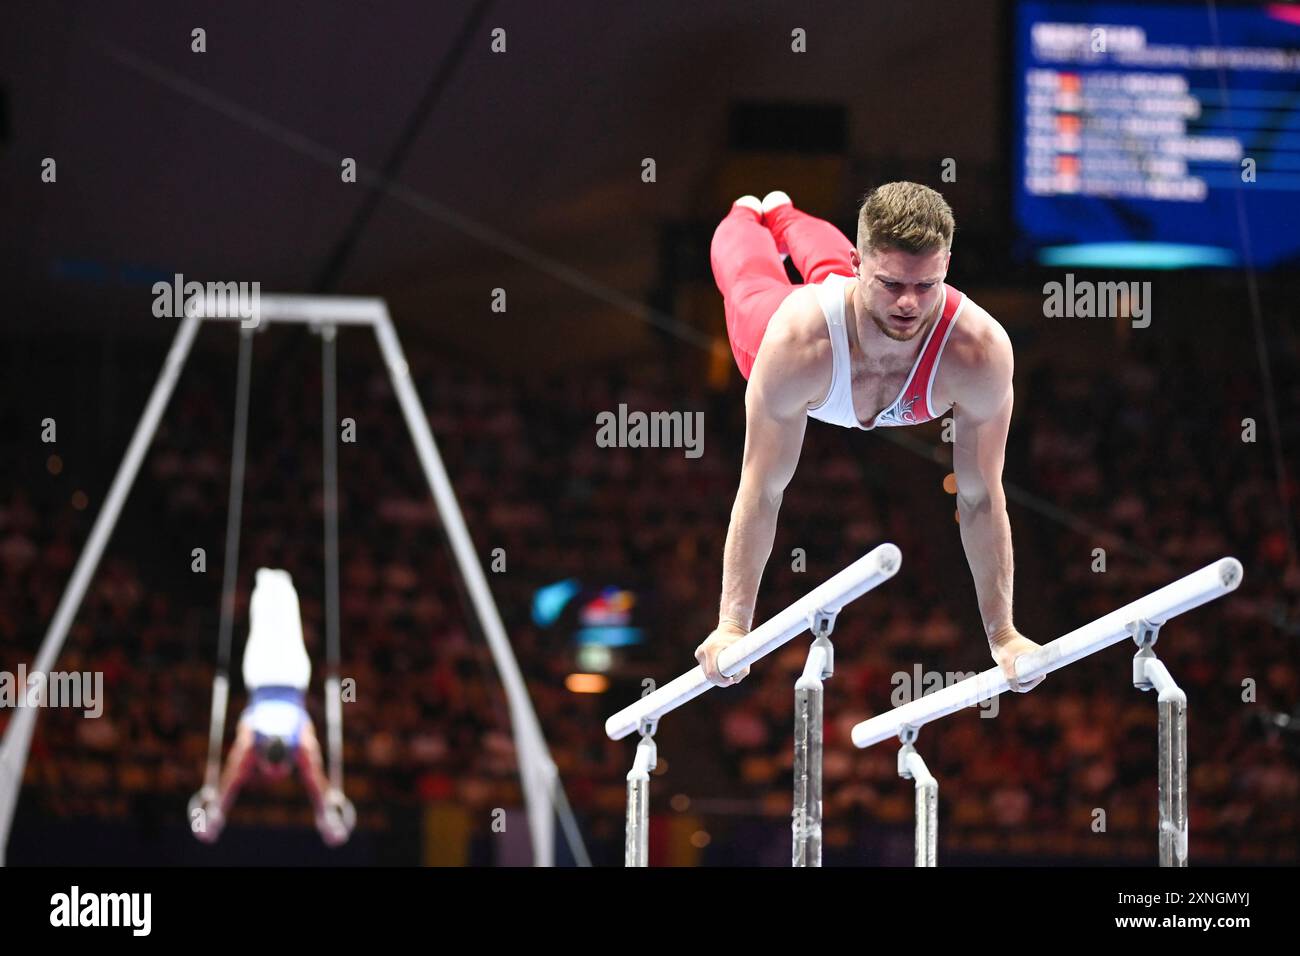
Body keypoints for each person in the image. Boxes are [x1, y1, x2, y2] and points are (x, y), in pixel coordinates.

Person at [696, 184, 1045, 693]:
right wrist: (733, 625)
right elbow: (764, 488)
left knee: (834, 275)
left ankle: (786, 209)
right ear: (859, 263)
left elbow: (978, 497)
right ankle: (749, 211)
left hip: (843, 324)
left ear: (947, 263)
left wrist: (1004, 635)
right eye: (891, 283)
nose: (908, 302)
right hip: (800, 345)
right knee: (749, 283)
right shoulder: (796, 342)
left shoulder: (979, 352)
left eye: (926, 285)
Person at [192, 568, 354, 846]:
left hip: (286, 676)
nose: (274, 777)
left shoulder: (277, 737)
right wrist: (327, 808)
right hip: (265, 675)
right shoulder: (277, 738)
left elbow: (235, 773)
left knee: (284, 627)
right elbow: (313, 775)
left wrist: (216, 808)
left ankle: (277, 584)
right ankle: (274, 584)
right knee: (268, 625)